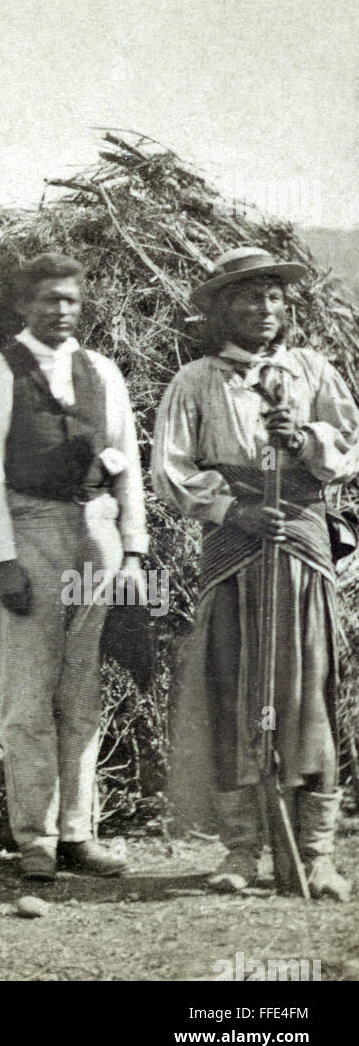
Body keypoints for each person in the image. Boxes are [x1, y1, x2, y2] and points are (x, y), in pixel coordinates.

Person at [151, 247, 358, 901]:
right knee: (236, 686)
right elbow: (171, 468)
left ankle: (316, 855)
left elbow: (348, 449)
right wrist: (232, 509)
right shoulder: (196, 382)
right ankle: (241, 849)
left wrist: (302, 441)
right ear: (219, 308)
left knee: (309, 688)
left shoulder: (310, 372)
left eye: (271, 296)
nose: (261, 309)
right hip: (236, 549)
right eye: (245, 297)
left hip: (300, 542)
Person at [0, 252, 148, 881]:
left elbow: (128, 463)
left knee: (80, 692)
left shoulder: (101, 372)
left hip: (94, 536)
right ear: (23, 305)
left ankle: (77, 834)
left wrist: (135, 546)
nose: (60, 310)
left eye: (70, 299)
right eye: (47, 300)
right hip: (29, 532)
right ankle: (34, 839)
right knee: (27, 695)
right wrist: (3, 558)